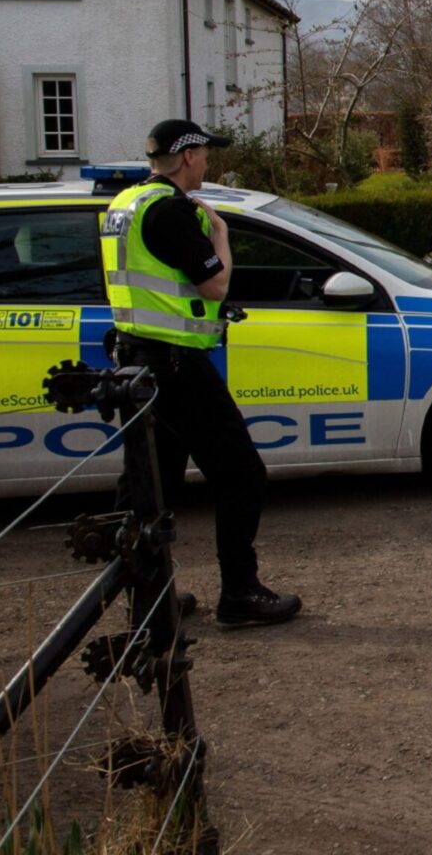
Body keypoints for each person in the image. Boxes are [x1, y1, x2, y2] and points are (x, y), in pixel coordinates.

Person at [101, 119, 302, 627]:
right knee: (241, 474)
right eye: (206, 154)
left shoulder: (125, 203)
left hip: (136, 358)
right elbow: (215, 285)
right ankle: (240, 593)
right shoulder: (170, 211)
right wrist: (222, 237)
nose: (209, 163)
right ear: (188, 156)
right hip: (174, 364)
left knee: (151, 482)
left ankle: (149, 598)